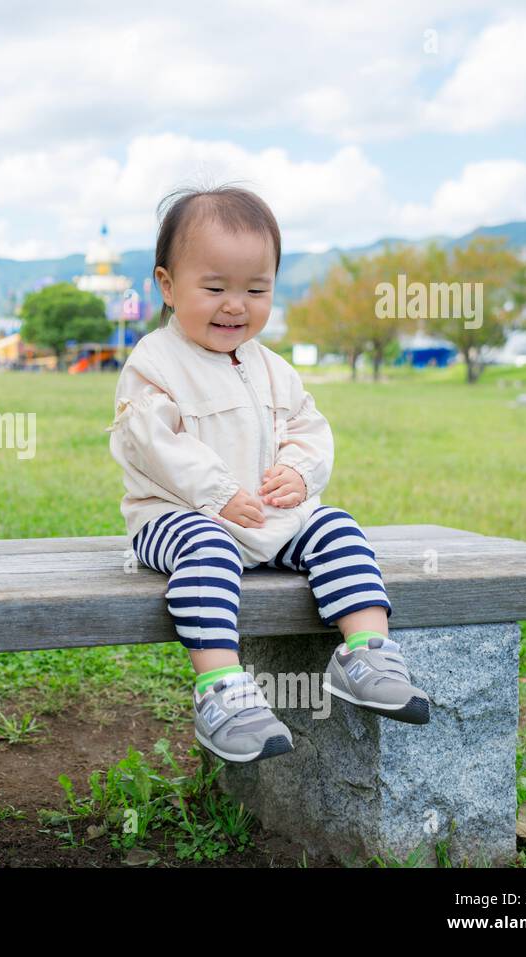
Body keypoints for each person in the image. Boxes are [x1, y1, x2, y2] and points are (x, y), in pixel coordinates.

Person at [107, 184, 430, 765]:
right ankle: (221, 691)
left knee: (334, 526)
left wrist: (299, 474)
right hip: (175, 518)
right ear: (167, 285)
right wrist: (217, 492)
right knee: (205, 546)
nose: (237, 304)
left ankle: (366, 651)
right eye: (215, 288)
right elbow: (153, 442)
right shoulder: (154, 362)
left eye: (256, 289)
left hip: (267, 523)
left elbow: (310, 427)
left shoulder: (273, 368)